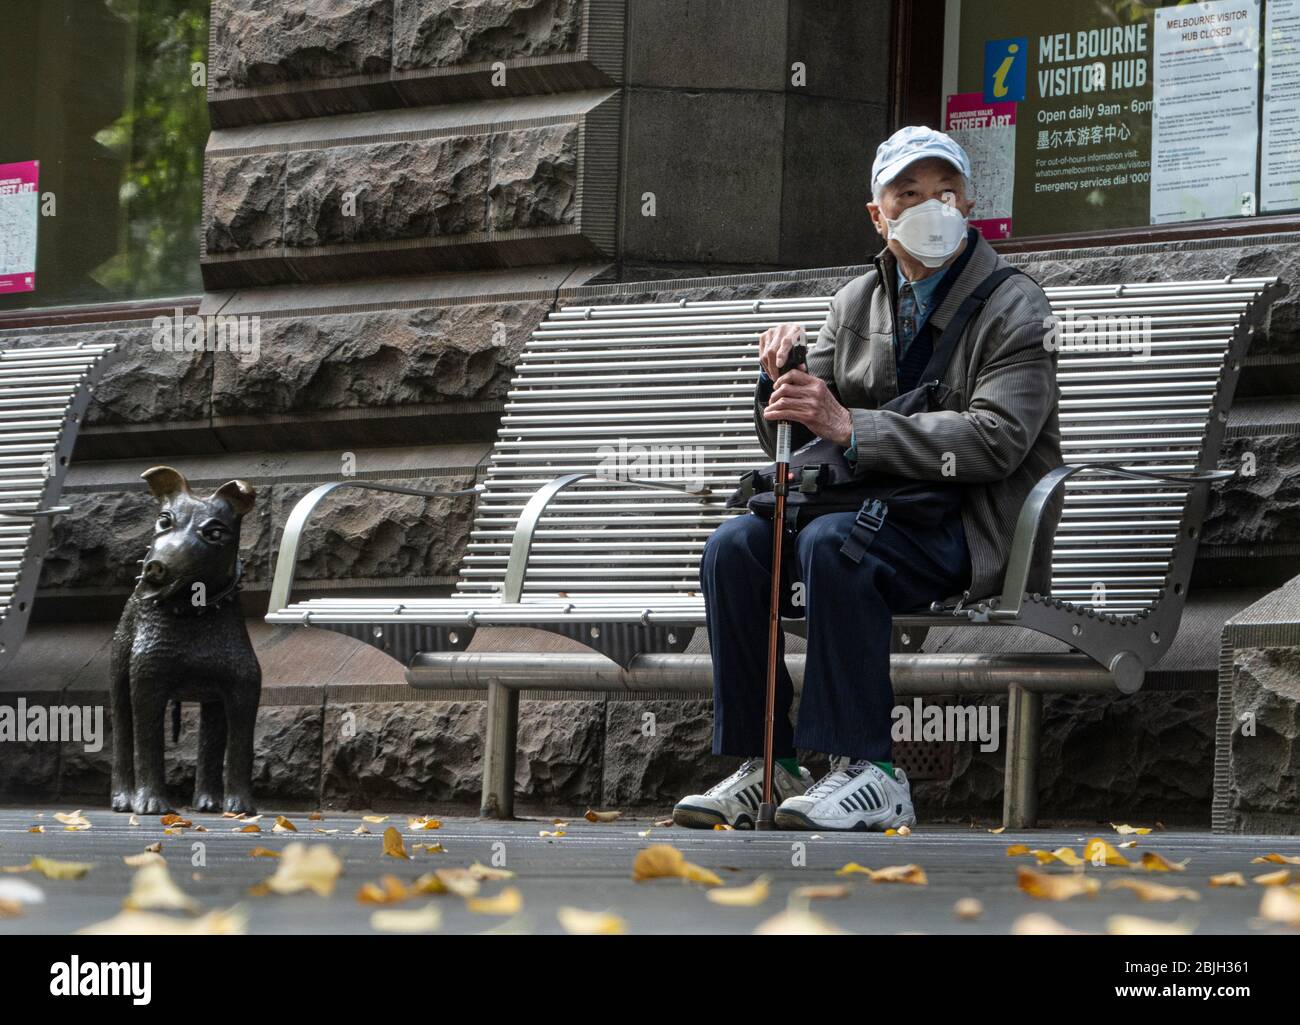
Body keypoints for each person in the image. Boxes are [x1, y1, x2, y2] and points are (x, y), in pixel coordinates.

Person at [673, 126, 1062, 831]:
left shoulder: (1015, 305)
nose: (931, 206)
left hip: (966, 529)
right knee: (733, 546)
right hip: (873, 509)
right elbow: (802, 435)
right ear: (878, 216)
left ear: (969, 199)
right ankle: (767, 760)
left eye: (945, 190)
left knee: (836, 543)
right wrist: (781, 387)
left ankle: (870, 769)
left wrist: (857, 427)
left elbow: (999, 440)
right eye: (908, 194)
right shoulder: (853, 301)